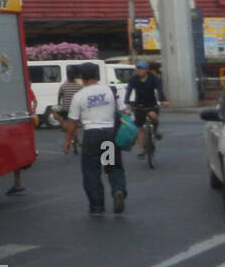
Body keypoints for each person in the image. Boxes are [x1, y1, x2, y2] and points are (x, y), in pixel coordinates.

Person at [63, 62, 128, 215]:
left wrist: (67, 141)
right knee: (112, 167)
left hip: (91, 135)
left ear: (82, 78)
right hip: (108, 135)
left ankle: (97, 207)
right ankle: (118, 190)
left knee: (91, 171)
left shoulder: (79, 96)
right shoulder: (110, 90)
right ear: (97, 76)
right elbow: (124, 111)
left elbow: (72, 122)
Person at [123, 58, 169, 155]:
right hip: (138, 104)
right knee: (140, 128)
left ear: (146, 69)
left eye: (142, 68)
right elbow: (129, 91)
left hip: (151, 103)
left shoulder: (154, 78)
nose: (139, 70)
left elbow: (160, 90)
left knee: (153, 115)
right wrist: (126, 102)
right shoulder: (133, 79)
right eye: (138, 68)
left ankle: (156, 131)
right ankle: (142, 150)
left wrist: (163, 100)